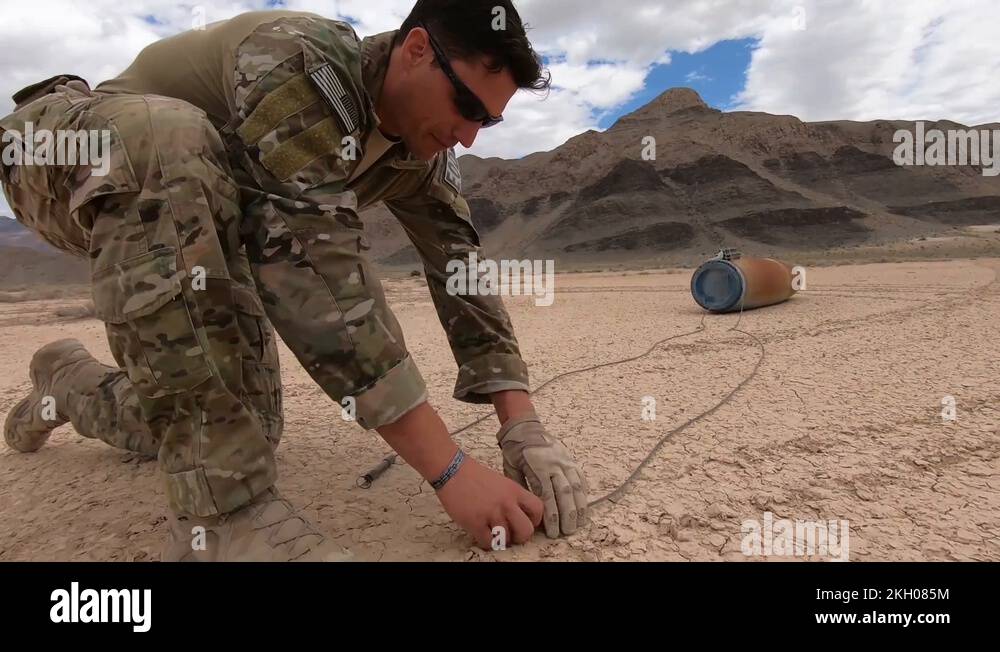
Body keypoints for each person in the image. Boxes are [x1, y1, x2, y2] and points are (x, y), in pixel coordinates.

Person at [0, 0, 589, 561]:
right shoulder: (303, 64)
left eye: (488, 119)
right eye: (466, 105)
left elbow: (460, 268)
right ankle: (220, 520)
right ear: (416, 50)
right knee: (170, 135)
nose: (469, 135)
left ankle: (67, 385)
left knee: (238, 436)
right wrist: (450, 469)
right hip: (63, 152)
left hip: (184, 223)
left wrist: (521, 426)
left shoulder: (422, 151)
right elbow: (318, 271)